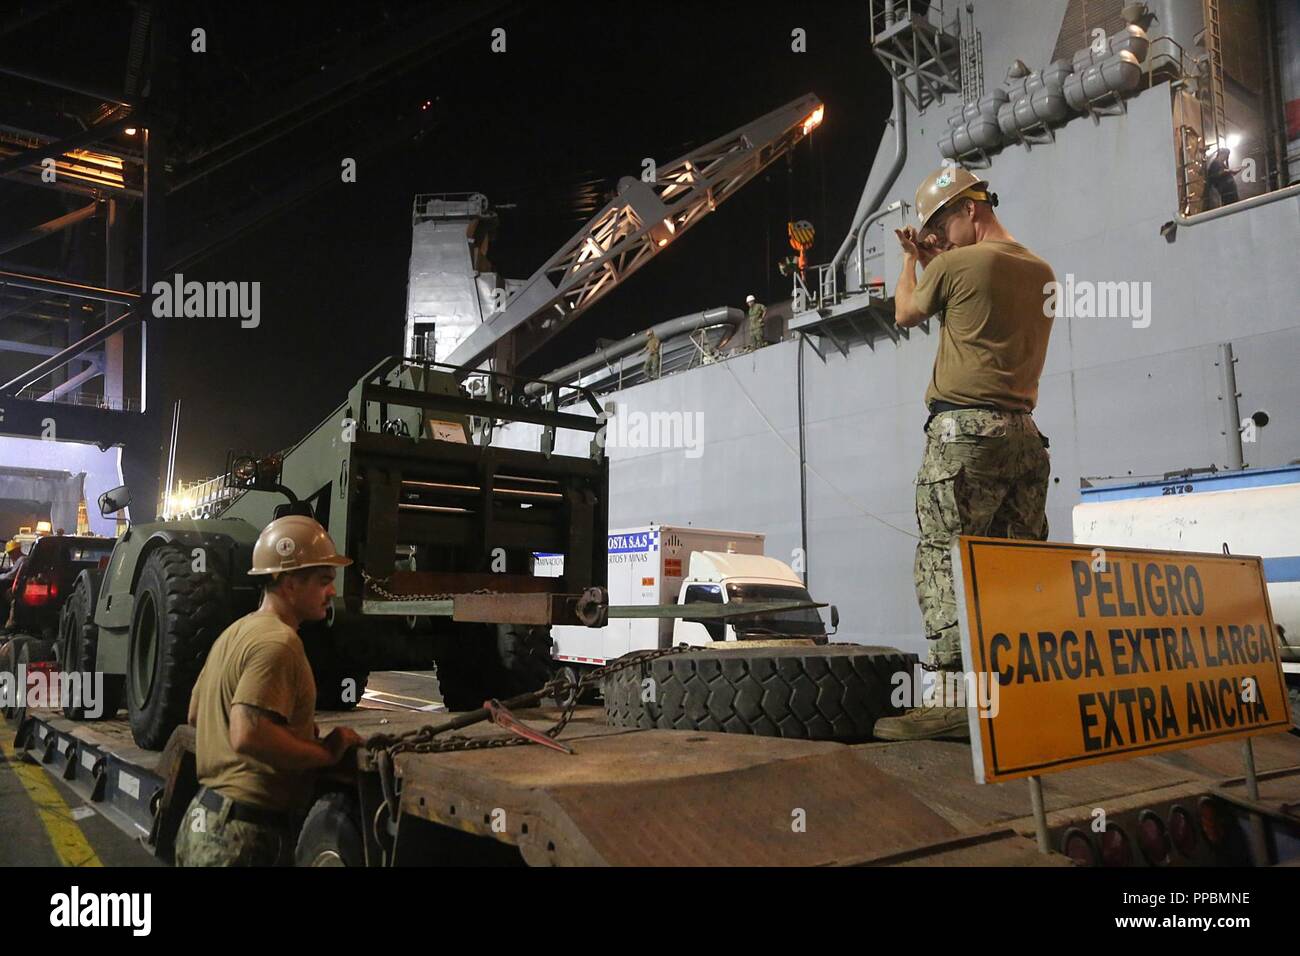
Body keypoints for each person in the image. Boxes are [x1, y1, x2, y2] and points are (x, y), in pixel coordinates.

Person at [874, 165, 1055, 742]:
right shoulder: (1040, 271)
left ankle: (953, 697)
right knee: (1012, 566)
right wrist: (939, 259)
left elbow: (905, 312)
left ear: (970, 209)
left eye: (940, 225)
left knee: (945, 558)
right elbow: (976, 307)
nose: (937, 238)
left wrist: (911, 262)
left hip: (964, 436)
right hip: (1024, 435)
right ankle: (1015, 694)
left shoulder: (955, 264)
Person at [174, 515, 364, 866]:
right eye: (323, 581)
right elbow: (247, 734)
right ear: (290, 583)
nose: (332, 592)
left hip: (205, 822)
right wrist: (323, 752)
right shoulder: (278, 643)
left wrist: (290, 736)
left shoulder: (236, 632)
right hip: (243, 836)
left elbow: (196, 714)